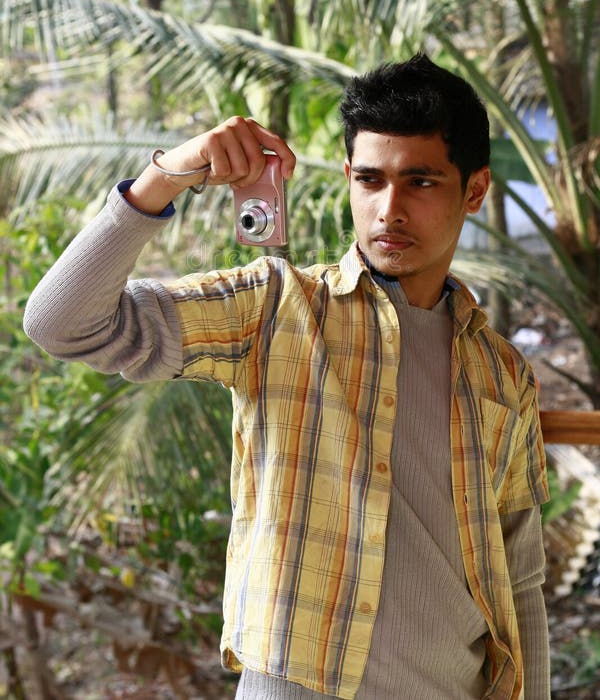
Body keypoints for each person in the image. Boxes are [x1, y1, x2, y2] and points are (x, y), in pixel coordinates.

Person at [23, 54, 550, 700]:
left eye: (420, 182)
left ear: (473, 190)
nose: (389, 209)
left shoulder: (502, 373)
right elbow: (61, 324)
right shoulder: (277, 308)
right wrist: (165, 177)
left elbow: (520, 581)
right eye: (369, 179)